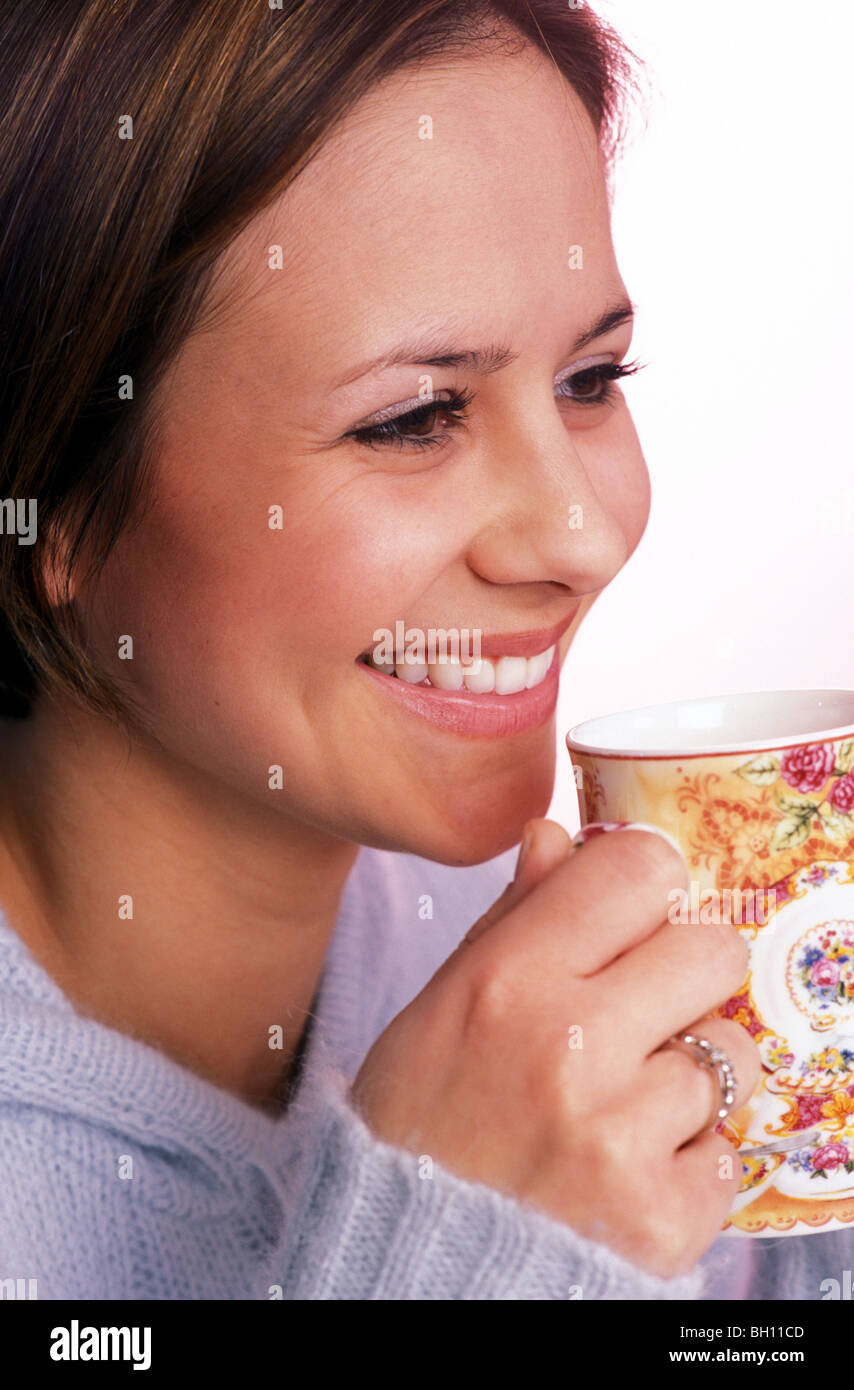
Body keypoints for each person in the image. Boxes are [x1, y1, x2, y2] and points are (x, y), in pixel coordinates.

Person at [0, 0, 845, 1300]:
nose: (580, 534)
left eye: (589, 380)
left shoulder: (556, 970)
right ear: (56, 497)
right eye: (413, 417)